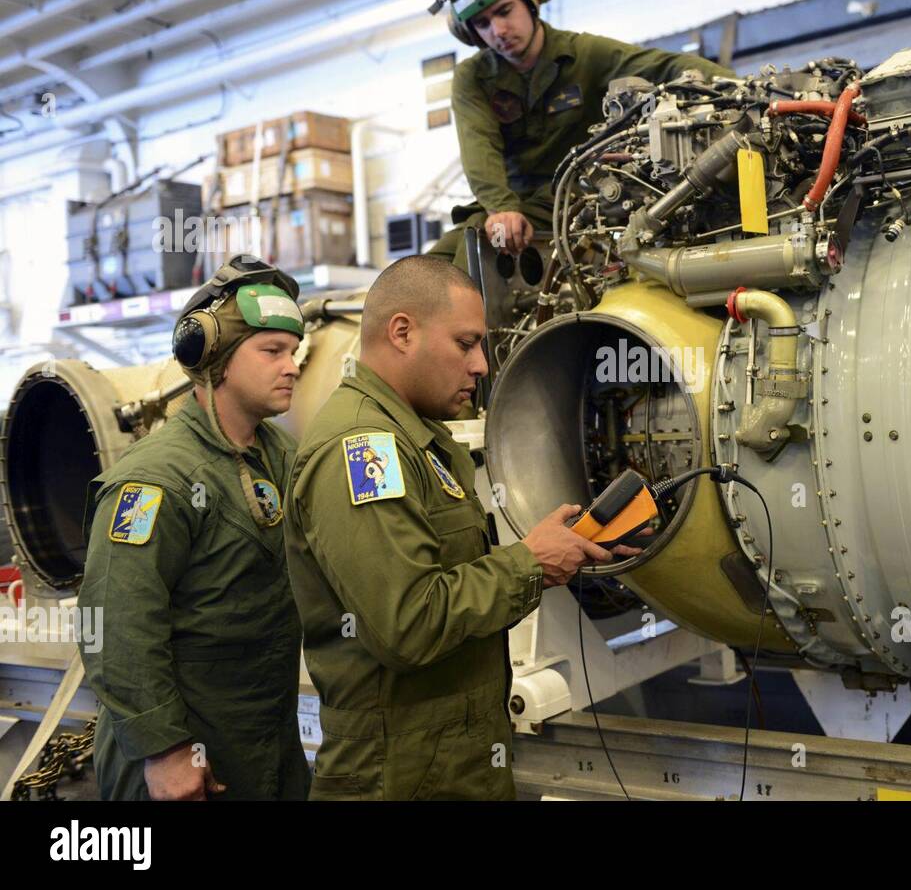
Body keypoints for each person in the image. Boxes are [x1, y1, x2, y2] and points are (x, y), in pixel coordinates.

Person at [284, 254, 637, 799]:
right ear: (402, 332)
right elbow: (407, 623)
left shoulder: (420, 441)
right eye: (465, 344)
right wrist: (529, 563)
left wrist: (547, 551)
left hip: (449, 765)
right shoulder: (362, 451)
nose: (481, 366)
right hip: (398, 777)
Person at [77, 255, 310, 800]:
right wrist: (164, 752)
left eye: (294, 352)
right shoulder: (154, 480)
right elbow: (114, 625)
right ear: (215, 358)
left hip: (264, 743)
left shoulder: (283, 456)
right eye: (272, 351)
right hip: (180, 762)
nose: (292, 366)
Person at [427, 0, 733, 267]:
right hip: (507, 204)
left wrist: (736, 87)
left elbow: (668, 67)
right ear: (469, 33)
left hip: (573, 200)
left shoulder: (585, 54)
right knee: (433, 267)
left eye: (504, 11)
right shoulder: (472, 77)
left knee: (473, 260)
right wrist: (501, 208)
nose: (498, 30)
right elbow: (479, 146)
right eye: (483, 24)